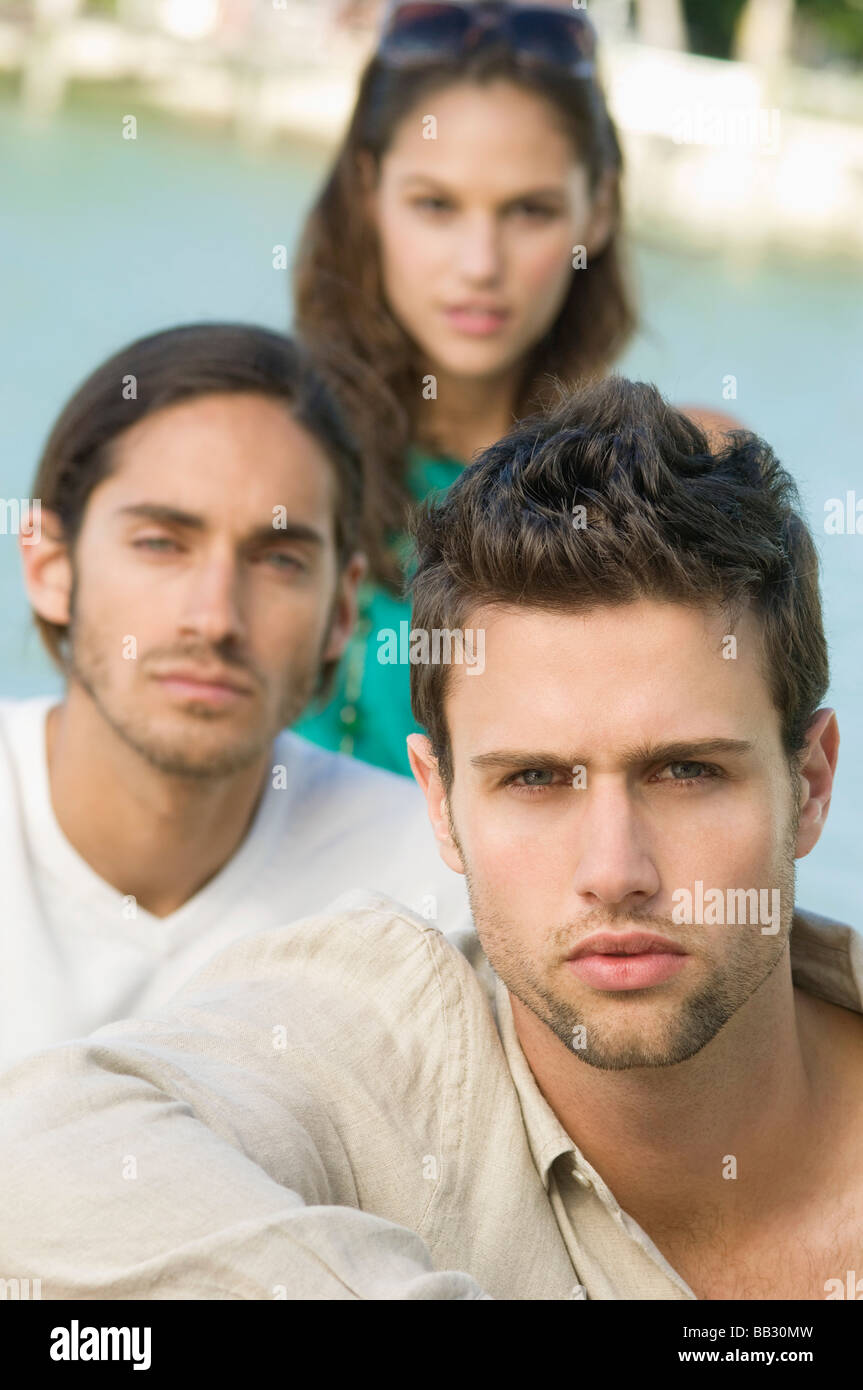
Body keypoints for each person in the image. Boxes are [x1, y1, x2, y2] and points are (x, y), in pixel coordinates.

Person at [0, 376, 859, 1300]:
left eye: (685, 772)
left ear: (807, 787)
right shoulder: (375, 1043)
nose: (614, 872)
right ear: (441, 804)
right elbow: (44, 1155)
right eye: (534, 779)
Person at [0, 322, 471, 1068]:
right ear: (51, 567)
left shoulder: (435, 892)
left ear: (341, 611)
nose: (216, 619)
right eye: (161, 543)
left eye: (279, 559)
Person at [292, 0, 733, 775]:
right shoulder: (279, 450)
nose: (478, 263)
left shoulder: (671, 474)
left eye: (528, 210)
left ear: (595, 209)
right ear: (369, 192)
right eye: (435, 204)